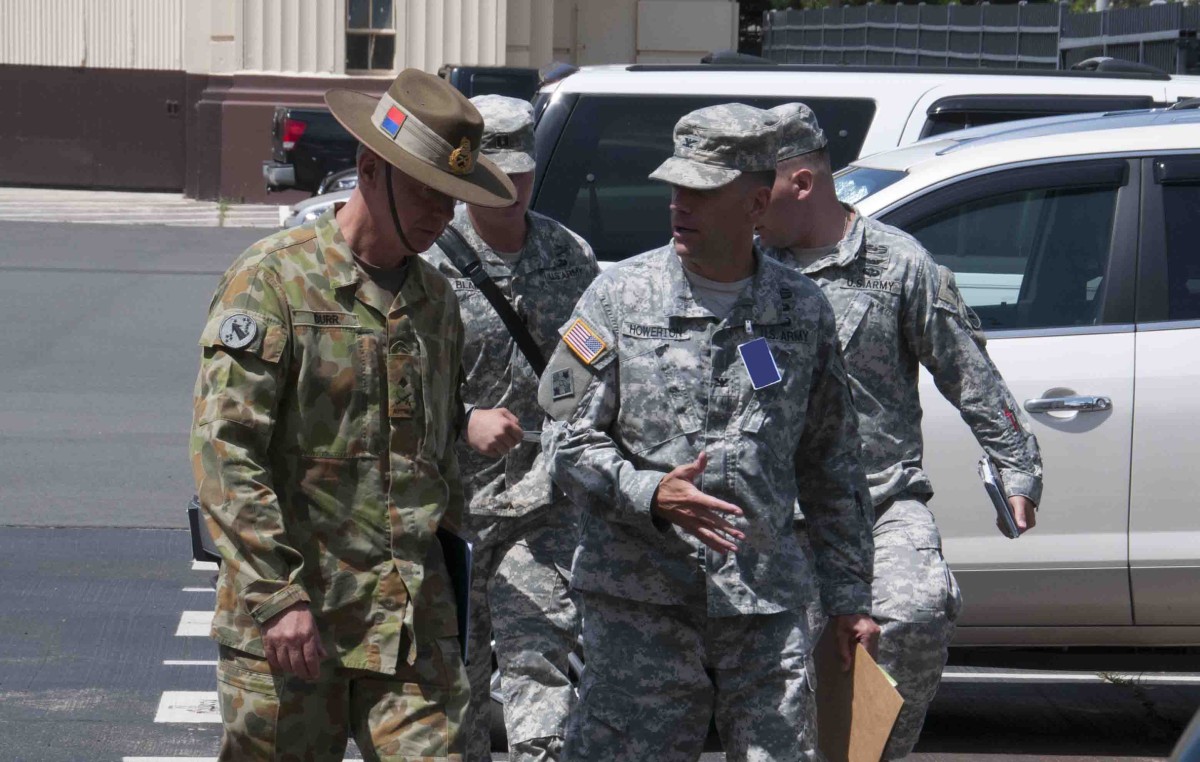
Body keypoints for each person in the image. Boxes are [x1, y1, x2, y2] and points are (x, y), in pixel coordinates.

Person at [189, 68, 518, 761]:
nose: (442, 215)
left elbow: (435, 454)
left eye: (452, 198)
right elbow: (226, 451)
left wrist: (453, 591)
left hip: (409, 624)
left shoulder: (436, 301)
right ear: (370, 169)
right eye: (426, 192)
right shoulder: (273, 280)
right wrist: (276, 595)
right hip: (295, 617)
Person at [537, 103, 879, 762]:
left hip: (764, 605)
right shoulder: (615, 298)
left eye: (702, 191)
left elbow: (831, 464)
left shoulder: (802, 310)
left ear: (757, 204)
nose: (680, 205)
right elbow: (561, 433)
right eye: (676, 187)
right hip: (640, 605)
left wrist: (849, 599)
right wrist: (650, 492)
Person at [756, 102, 1045, 760]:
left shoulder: (895, 265)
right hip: (779, 510)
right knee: (788, 680)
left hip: (880, 499)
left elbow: (966, 369)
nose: (745, 204)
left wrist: (1017, 466)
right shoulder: (747, 269)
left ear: (801, 183)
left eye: (757, 187)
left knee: (915, 611)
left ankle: (874, 752)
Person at [421, 94, 599, 762]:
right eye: (497, 176)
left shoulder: (569, 255)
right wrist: (462, 421)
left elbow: (591, 363)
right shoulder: (429, 260)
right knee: (456, 691)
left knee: (539, 667)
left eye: (522, 173)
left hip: (542, 509)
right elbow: (393, 385)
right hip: (453, 513)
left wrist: (569, 421)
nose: (513, 188)